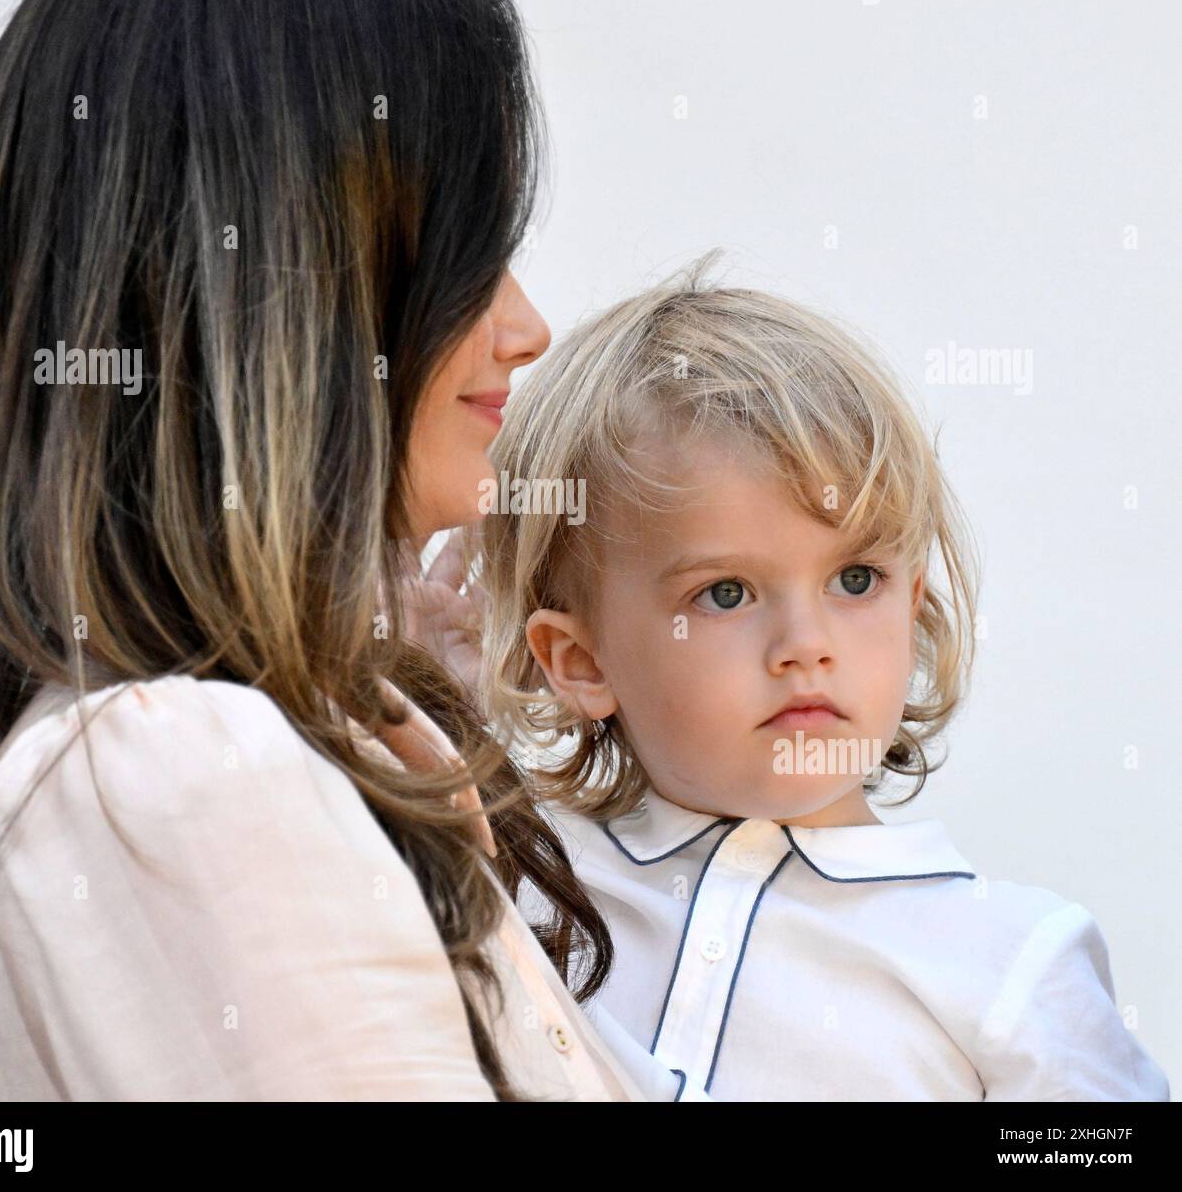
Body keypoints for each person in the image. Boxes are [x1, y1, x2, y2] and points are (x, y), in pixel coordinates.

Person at [0, 0, 693, 1102]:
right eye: (471, 253)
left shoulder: (247, 750)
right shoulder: (177, 773)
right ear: (287, 288)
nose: (525, 328)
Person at [471, 255, 1172, 1101]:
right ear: (581, 663)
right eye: (726, 594)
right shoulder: (525, 888)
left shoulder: (1010, 959)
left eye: (855, 581)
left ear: (912, 607)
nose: (806, 645)